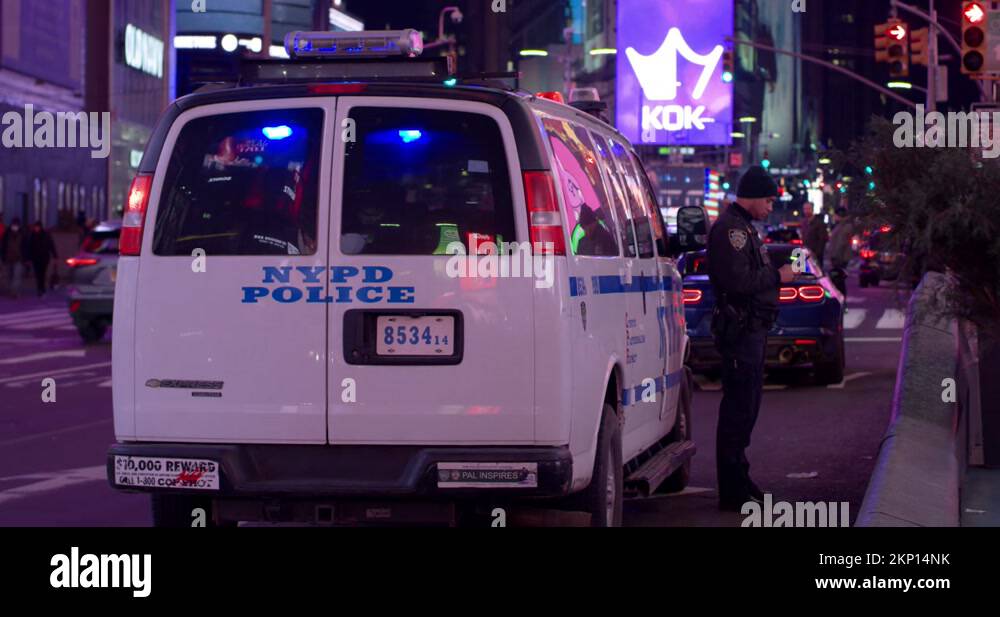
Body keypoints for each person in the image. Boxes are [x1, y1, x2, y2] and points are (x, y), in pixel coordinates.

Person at [707, 166, 795, 511]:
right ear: (755, 196)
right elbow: (739, 282)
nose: (771, 206)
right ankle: (732, 489)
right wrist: (779, 275)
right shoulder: (731, 230)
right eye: (769, 200)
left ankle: (740, 479)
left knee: (749, 407)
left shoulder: (744, 228)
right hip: (740, 331)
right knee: (738, 410)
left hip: (752, 330)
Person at [826, 207, 854, 297]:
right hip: (838, 257)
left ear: (839, 215)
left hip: (840, 258)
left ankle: (841, 299)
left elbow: (841, 243)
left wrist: (835, 257)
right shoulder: (840, 225)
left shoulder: (845, 226)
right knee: (838, 280)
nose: (834, 217)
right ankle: (841, 299)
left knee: (838, 280)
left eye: (835, 215)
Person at [26, 221, 57, 297]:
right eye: (35, 227)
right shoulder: (32, 235)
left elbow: (51, 245)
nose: (36, 228)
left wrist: (55, 255)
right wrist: (28, 258)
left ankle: (42, 288)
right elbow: (29, 247)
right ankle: (40, 288)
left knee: (42, 273)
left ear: (40, 227)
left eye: (37, 227)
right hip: (35, 258)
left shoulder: (46, 235)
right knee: (37, 274)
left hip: (44, 257)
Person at [1, 218, 28, 298]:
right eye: (13, 225)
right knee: (9, 276)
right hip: (8, 258)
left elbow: (26, 247)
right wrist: (3, 257)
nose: (15, 226)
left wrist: (26, 259)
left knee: (17, 275)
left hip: (19, 258)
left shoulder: (23, 234)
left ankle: (15, 292)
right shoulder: (7, 234)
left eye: (16, 225)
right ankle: (11, 290)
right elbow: (3, 246)